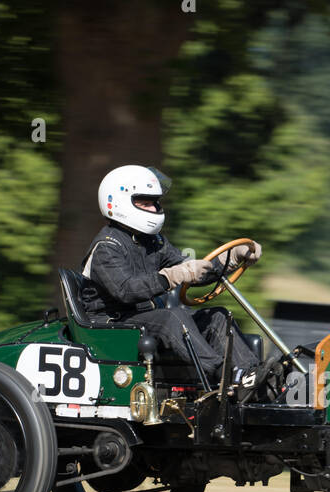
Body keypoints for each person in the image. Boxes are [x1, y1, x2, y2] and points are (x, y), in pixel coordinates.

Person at [78, 164, 263, 386]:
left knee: (218, 316)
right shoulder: (107, 247)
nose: (155, 209)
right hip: (113, 326)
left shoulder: (154, 242)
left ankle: (253, 377)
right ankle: (221, 375)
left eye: (155, 202)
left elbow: (192, 271)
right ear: (117, 203)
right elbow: (126, 291)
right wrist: (171, 276)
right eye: (145, 202)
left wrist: (230, 259)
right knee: (173, 317)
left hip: (144, 320)